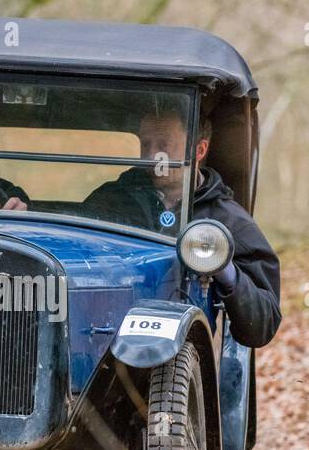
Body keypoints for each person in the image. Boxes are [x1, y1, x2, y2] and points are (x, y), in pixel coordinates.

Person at [84, 98, 280, 348]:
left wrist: (225, 269)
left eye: (164, 145)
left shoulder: (227, 219)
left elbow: (263, 325)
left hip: (187, 358)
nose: (153, 156)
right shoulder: (112, 199)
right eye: (146, 144)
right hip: (104, 343)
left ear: (199, 150)